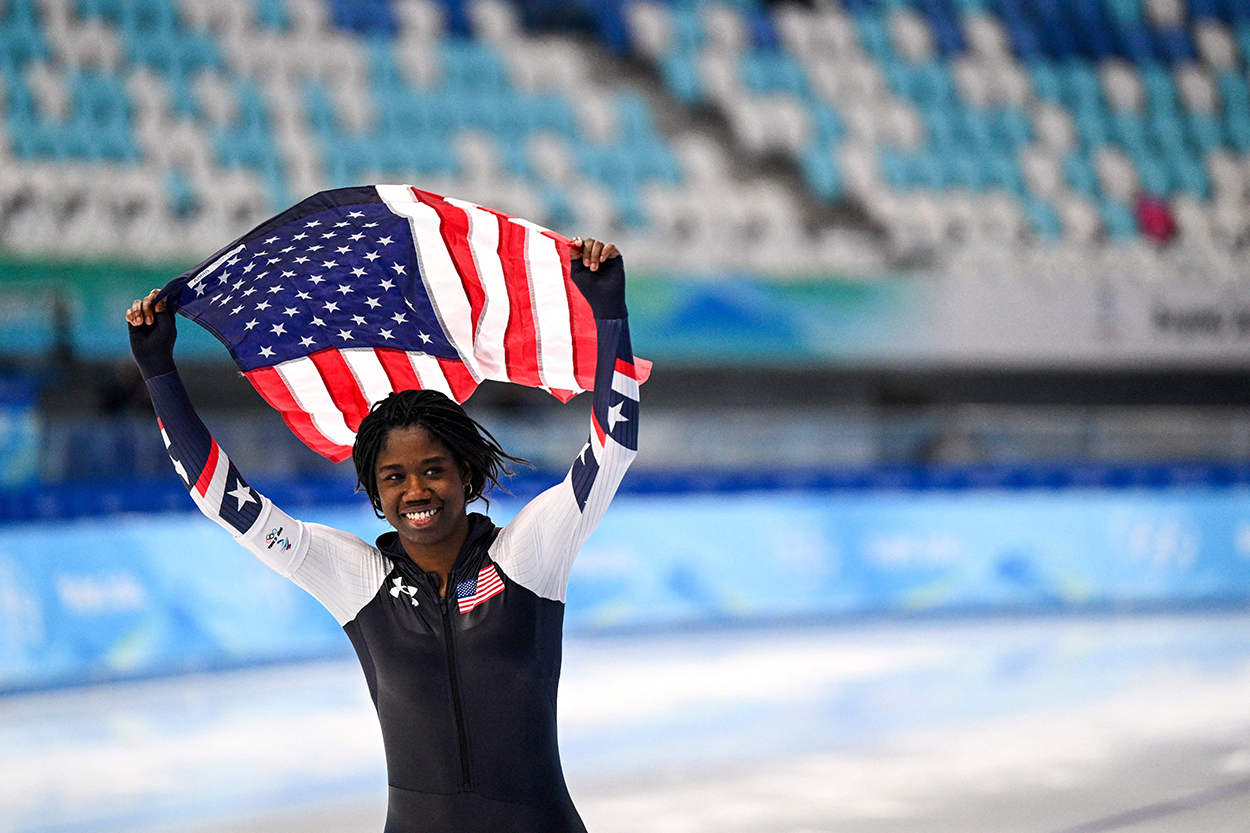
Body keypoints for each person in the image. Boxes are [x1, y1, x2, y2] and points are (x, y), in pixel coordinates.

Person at [125, 237, 639, 833]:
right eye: (394, 477)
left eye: (433, 470)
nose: (416, 490)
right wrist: (159, 371)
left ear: (466, 474)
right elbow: (229, 505)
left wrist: (610, 314)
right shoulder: (357, 578)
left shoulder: (529, 554)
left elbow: (613, 447)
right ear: (375, 493)